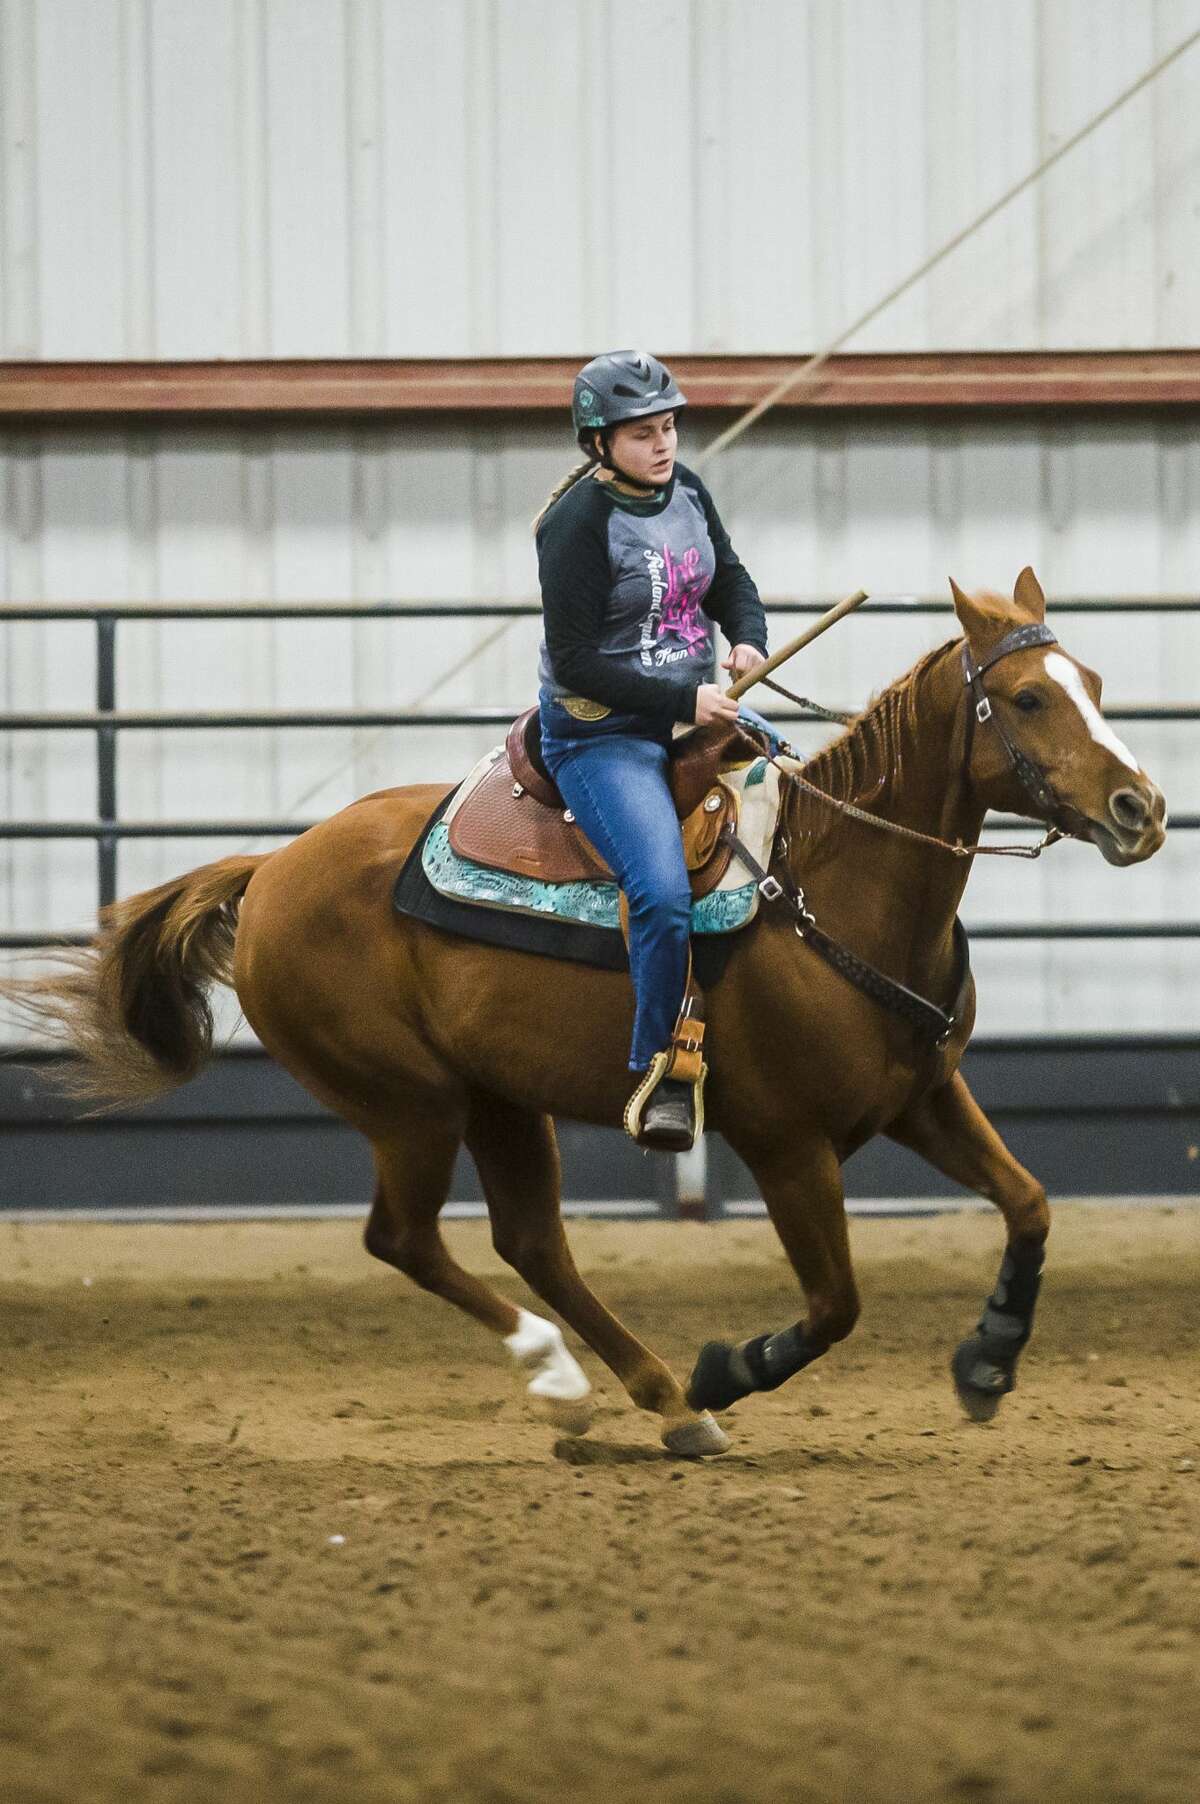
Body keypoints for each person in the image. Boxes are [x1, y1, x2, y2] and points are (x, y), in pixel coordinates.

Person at [534, 349, 768, 1151]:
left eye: (668, 426)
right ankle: (659, 1065)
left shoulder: (690, 491)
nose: (663, 445)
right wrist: (682, 700)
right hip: (604, 735)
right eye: (642, 433)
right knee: (662, 894)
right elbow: (574, 660)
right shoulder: (577, 524)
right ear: (598, 443)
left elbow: (730, 578)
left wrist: (748, 639)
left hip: (692, 714)